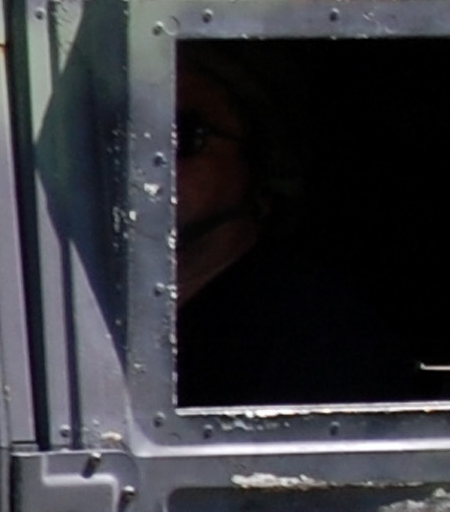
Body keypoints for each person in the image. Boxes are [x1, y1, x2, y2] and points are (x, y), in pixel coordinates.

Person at [173, 49, 406, 408]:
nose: (148, 155)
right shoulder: (79, 310)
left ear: (259, 160)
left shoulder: (319, 334)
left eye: (184, 134)